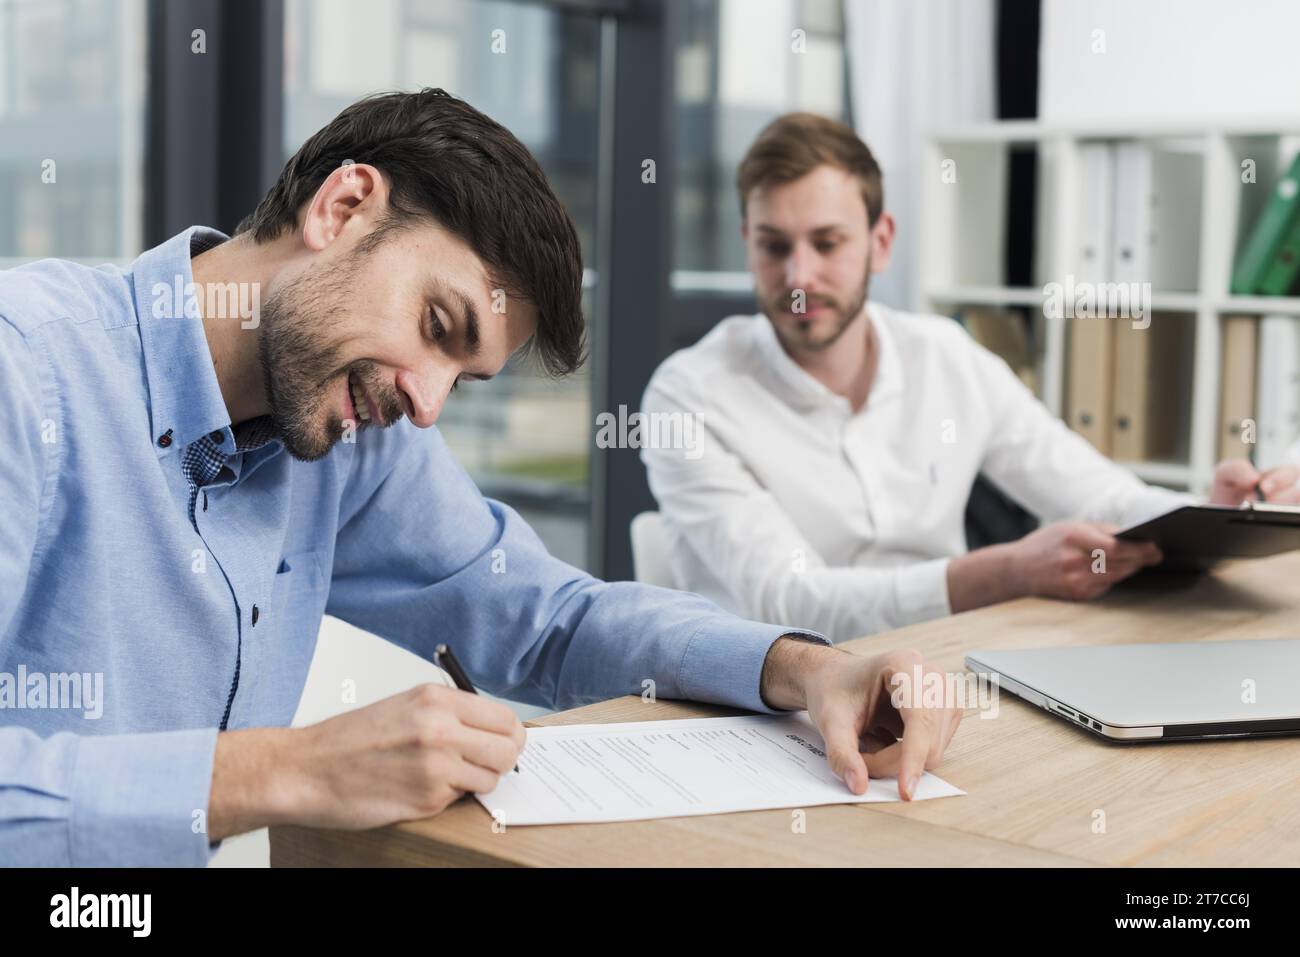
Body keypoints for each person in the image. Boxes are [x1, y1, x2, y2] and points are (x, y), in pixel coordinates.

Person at [0, 91, 961, 866]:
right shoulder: (25, 370)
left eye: (466, 377)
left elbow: (551, 618)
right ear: (341, 209)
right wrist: (291, 770)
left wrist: (812, 668)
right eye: (436, 326)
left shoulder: (351, 431)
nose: (427, 404)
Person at [641, 112, 1300, 643]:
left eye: (827, 242)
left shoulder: (945, 356)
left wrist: (1211, 517)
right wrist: (1005, 572)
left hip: (951, 668)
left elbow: (1098, 494)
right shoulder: (689, 396)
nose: (798, 277)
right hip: (768, 702)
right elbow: (788, 602)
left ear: (881, 240)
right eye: (774, 245)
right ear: (745, 240)